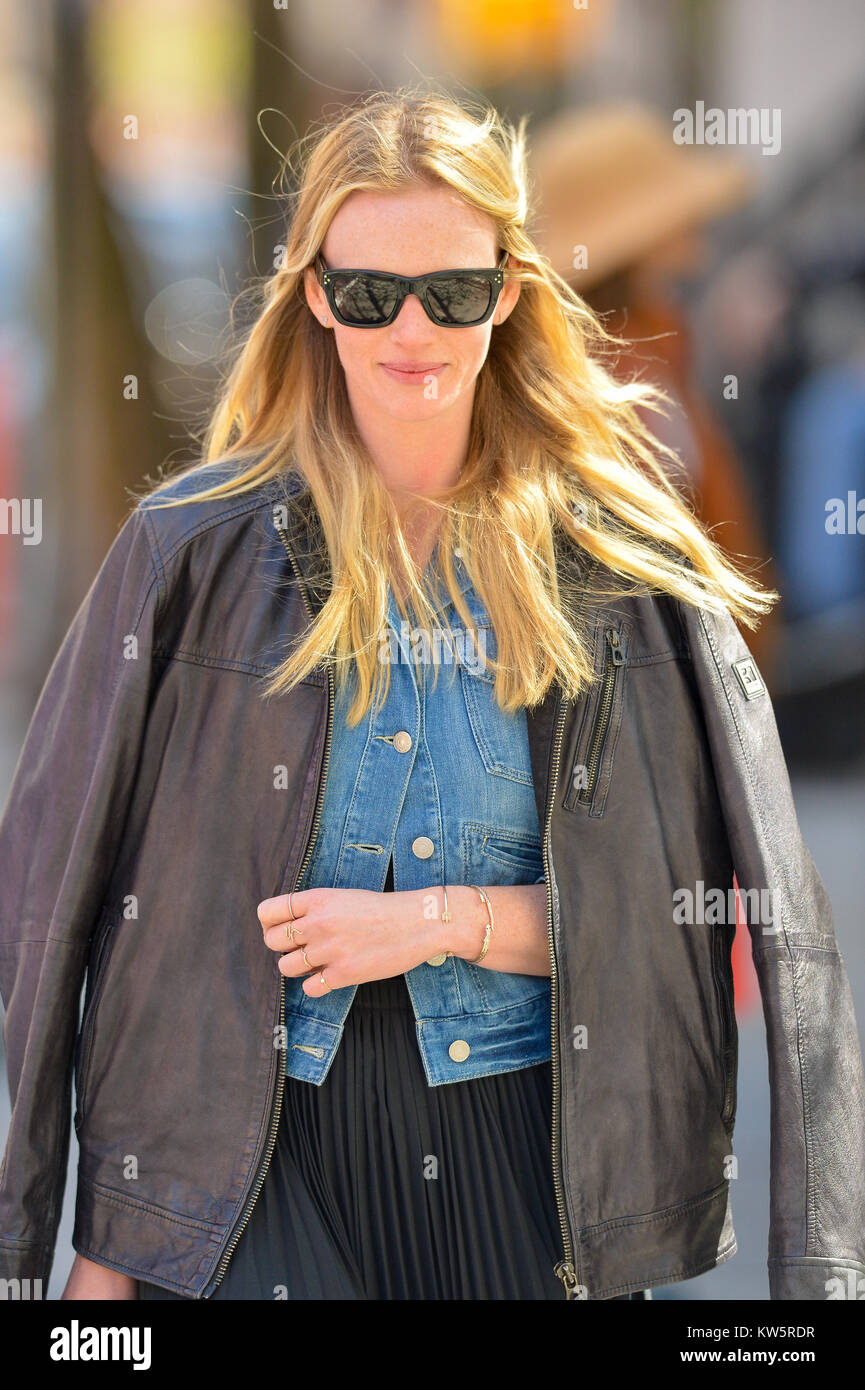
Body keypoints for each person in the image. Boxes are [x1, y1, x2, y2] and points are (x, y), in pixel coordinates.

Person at [1, 86, 863, 1303]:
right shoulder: (186, 555)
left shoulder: (617, 563)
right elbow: (65, 908)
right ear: (312, 294)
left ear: (508, 291)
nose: (410, 329)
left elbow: (692, 917)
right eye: (367, 292)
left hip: (532, 1169)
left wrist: (437, 919)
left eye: (451, 291)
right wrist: (104, 1247)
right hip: (257, 1176)